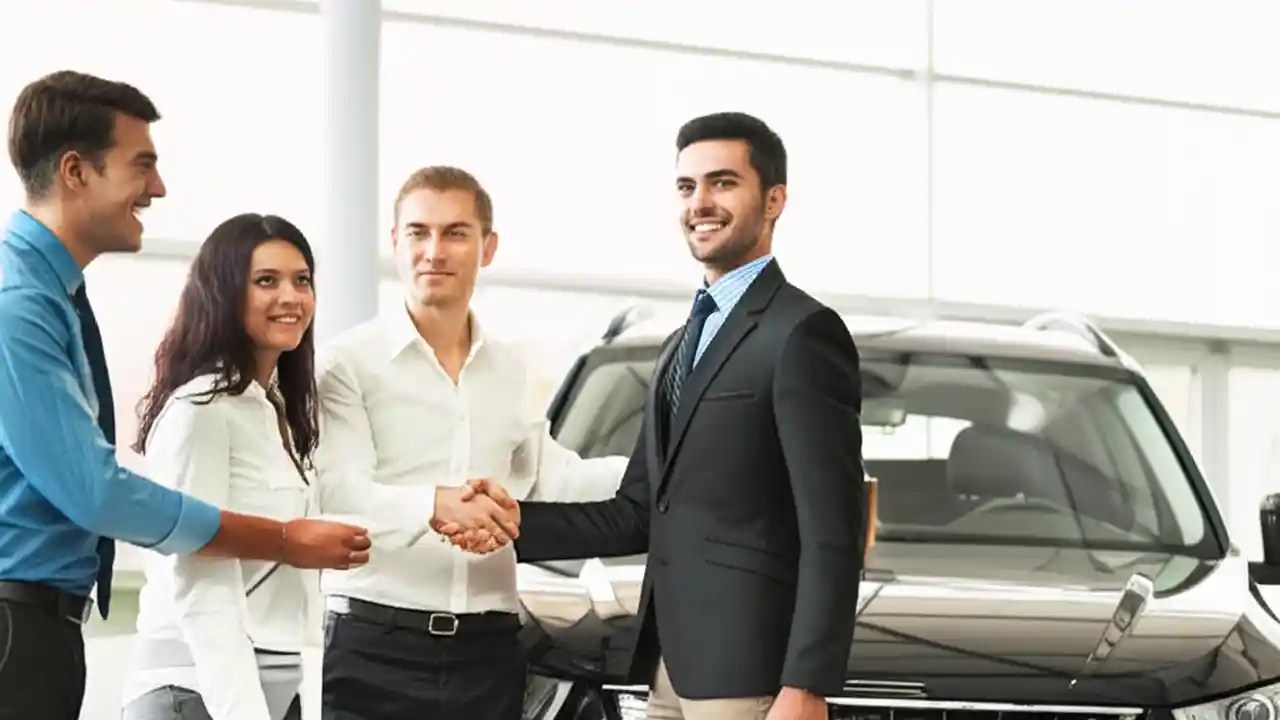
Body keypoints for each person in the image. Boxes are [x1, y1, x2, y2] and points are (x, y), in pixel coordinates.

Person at [460, 112, 866, 720]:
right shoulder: (682, 342)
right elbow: (639, 513)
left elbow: (833, 529)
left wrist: (807, 683)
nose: (700, 202)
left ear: (774, 199)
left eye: (723, 183)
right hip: (667, 668)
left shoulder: (802, 334)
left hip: (750, 672)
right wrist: (514, 523)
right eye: (686, 187)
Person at [0, 70, 371, 720]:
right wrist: (280, 538)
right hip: (25, 625)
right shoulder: (20, 303)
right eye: (141, 164)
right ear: (75, 171)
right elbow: (95, 490)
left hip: (45, 624)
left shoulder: (53, 295)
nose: (160, 187)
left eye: (302, 279)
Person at [314, 165, 627, 719]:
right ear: (395, 243)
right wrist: (436, 504)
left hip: (489, 652)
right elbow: (338, 493)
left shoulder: (509, 369)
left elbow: (554, 477)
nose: (434, 250)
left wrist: (674, 459)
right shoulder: (347, 363)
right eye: (418, 232)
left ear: (488, 247)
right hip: (373, 645)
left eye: (456, 233)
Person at [119, 214, 324, 720]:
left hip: (270, 690)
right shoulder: (200, 411)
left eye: (302, 280)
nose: (291, 296)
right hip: (197, 694)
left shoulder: (275, 409)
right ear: (224, 293)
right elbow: (198, 578)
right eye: (266, 281)